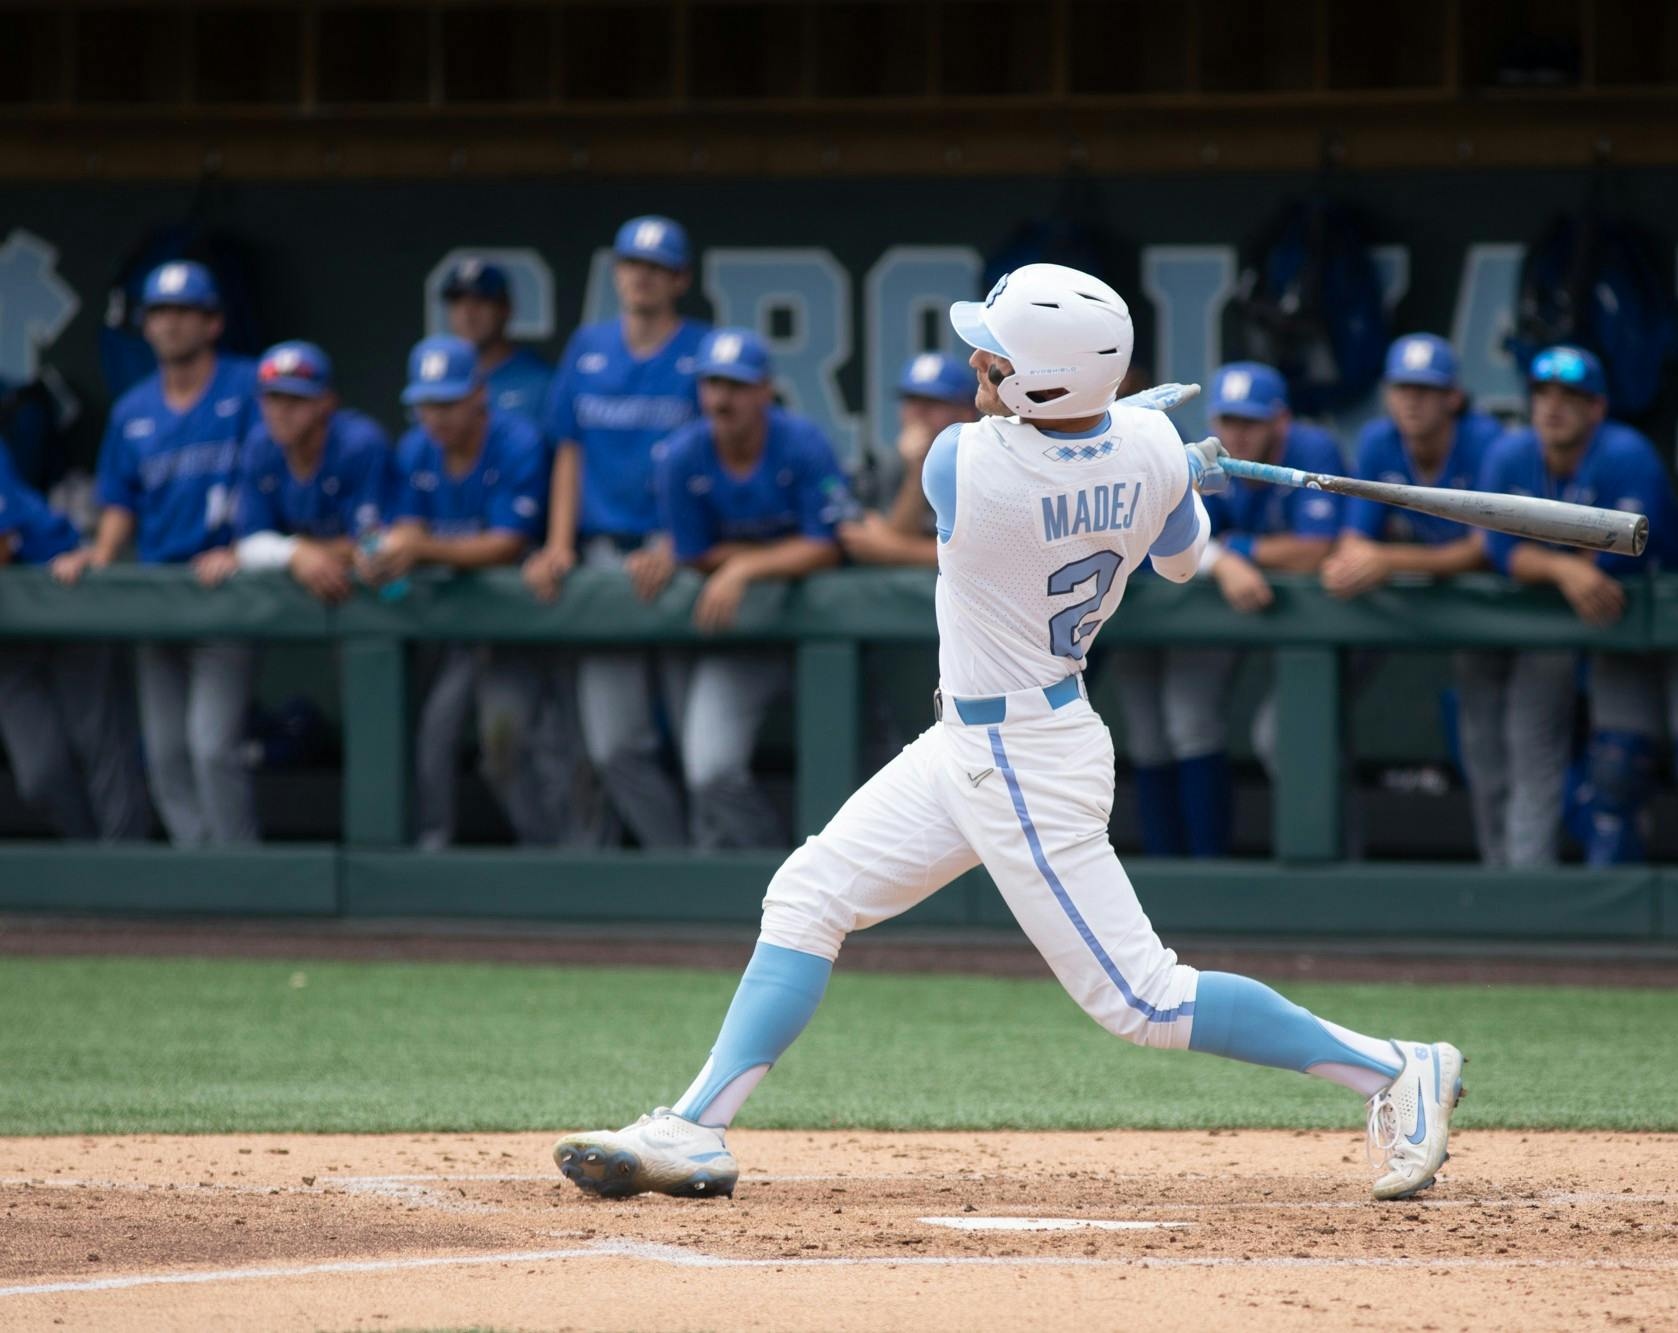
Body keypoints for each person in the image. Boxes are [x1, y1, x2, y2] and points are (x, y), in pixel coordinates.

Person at [553, 263, 1465, 1206]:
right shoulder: (1145, 446)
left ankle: (1396, 1067)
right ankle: (697, 1127)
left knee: (1145, 999)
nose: (978, 367)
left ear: (1045, 379)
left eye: (997, 357)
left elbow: (1039, 441)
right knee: (808, 892)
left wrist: (1133, 439)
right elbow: (1187, 559)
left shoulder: (965, 462)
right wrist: (1164, 460)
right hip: (974, 743)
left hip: (1025, 758)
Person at [1481, 346, 1678, 867]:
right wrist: (1563, 568)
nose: (1554, 406)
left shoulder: (1626, 452)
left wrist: (1576, 566)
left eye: (1571, 396)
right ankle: (1613, 924)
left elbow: (1623, 547)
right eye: (1543, 394)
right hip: (1611, 621)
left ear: (1597, 407)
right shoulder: (1511, 456)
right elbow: (1498, 548)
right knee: (1616, 769)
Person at [52, 261, 262, 846]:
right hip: (158, 593)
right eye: (159, 314)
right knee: (167, 754)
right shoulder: (133, 408)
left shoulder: (246, 387)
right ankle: (201, 878)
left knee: (211, 746)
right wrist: (103, 551)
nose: (170, 325)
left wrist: (247, 549)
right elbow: (120, 497)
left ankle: (246, 877)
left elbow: (269, 477)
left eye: (184, 313)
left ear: (213, 322)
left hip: (226, 588)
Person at [525, 216, 710, 847]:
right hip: (604, 553)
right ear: (616, 272)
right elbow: (568, 450)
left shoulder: (701, 351)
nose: (642, 277)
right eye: (633, 264)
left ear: (680, 279)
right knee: (611, 745)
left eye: (657, 268)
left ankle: (718, 874)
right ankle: (677, 864)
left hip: (681, 557)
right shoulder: (589, 346)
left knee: (698, 744)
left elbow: (712, 453)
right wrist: (557, 542)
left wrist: (673, 543)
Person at [1110, 360, 1341, 857]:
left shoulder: (1307, 448)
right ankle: (1165, 871)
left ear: (1280, 420)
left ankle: (1209, 870)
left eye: (1251, 421)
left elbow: (1316, 547)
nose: (1238, 432)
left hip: (1205, 608)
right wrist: (1227, 557)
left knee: (1189, 724)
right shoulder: (1196, 454)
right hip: (1142, 605)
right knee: (1148, 738)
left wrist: (1237, 553)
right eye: (1230, 420)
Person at [639, 327, 847, 849]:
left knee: (875, 759)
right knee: (709, 771)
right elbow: (692, 554)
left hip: (822, 636)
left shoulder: (803, 443)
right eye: (712, 384)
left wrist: (742, 567)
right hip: (741, 638)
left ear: (763, 390)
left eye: (736, 384)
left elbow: (827, 546)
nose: (722, 398)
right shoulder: (681, 456)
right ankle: (780, 871)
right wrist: (767, 558)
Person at [1322, 334, 1509, 862]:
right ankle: (1345, 863)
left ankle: (1508, 876)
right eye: (1404, 388)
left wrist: (1388, 560)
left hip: (1496, 609)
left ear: (1453, 397)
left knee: (1492, 751)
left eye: (1427, 390)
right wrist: (1356, 559)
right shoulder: (1381, 441)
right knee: (1293, 732)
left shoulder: (1486, 439)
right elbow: (1355, 537)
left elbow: (1486, 549)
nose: (1413, 400)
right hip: (1408, 604)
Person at [365, 335, 557, 850]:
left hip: (524, 618)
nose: (437, 416)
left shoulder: (517, 440)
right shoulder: (414, 449)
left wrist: (422, 547)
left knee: (516, 745)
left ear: (480, 396)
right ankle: (434, 846)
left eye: (449, 401)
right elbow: (404, 530)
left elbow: (505, 544)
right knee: (433, 734)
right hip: (453, 622)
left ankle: (553, 851)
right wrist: (385, 551)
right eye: (428, 404)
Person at [0, 444, 149, 840]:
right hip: (9, 633)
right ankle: (87, 862)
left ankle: (126, 870)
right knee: (39, 773)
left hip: (63, 593)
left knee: (100, 744)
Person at [194, 341, 390, 602]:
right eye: (273, 398)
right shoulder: (260, 445)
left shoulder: (360, 444)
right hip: (299, 602)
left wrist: (294, 553)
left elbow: (373, 545)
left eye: (297, 399)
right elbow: (250, 540)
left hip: (376, 597)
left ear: (326, 402)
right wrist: (294, 554)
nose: (281, 411)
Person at [838, 352, 980, 568]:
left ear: (966, 411)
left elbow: (985, 556)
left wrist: (897, 550)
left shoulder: (984, 464)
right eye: (911, 401)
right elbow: (868, 543)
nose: (918, 413)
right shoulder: (883, 466)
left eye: (933, 403)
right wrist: (916, 472)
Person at [441, 258, 554, 425]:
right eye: (458, 303)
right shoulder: (440, 383)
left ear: (505, 309)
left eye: (480, 302)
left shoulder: (542, 382)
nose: (467, 315)